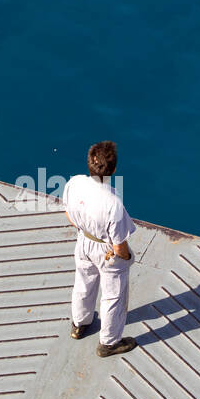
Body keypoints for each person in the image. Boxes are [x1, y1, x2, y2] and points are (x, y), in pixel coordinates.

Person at [62, 141, 137, 357]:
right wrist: (125, 259)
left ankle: (80, 324)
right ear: (113, 169)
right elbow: (118, 244)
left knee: (83, 283)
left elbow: (68, 213)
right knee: (113, 295)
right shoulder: (113, 203)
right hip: (106, 250)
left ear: (89, 164)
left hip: (83, 241)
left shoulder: (75, 183)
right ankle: (109, 343)